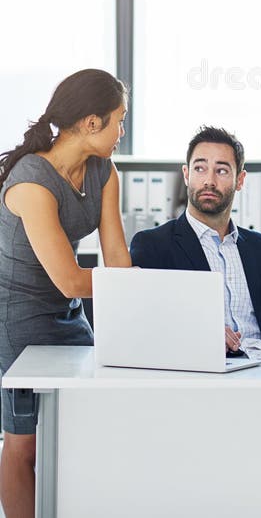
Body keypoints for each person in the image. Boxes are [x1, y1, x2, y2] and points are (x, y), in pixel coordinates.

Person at [0, 68, 131, 518]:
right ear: (92, 123)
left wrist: (139, 295)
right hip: (15, 312)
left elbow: (117, 258)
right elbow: (72, 279)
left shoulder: (103, 170)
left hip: (66, 311)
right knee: (26, 441)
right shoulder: (32, 180)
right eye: (119, 120)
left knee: (87, 422)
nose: (122, 132)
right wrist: (138, 289)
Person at [130, 125, 261, 350]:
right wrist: (201, 335)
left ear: (240, 180)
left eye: (221, 171)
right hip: (197, 372)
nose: (209, 181)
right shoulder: (153, 245)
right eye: (200, 168)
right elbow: (143, 326)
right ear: (186, 175)